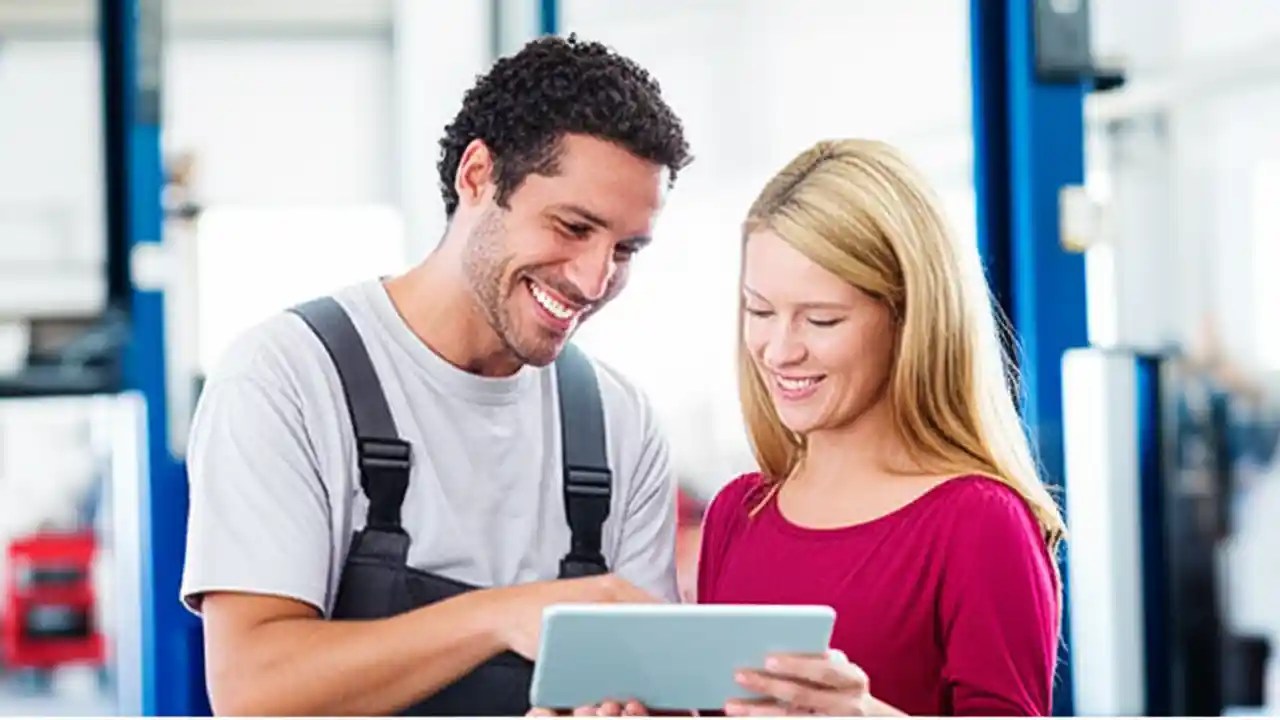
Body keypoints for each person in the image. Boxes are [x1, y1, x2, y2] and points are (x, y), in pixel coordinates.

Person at [180, 35, 691, 716]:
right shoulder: (287, 379)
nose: (594, 280)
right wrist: (502, 617)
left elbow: (653, 685)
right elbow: (254, 690)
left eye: (625, 249)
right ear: (478, 176)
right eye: (572, 227)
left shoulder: (618, 422)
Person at [559, 139, 1063, 717]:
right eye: (760, 311)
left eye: (821, 319)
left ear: (908, 320)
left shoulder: (979, 522)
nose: (779, 350)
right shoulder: (737, 514)